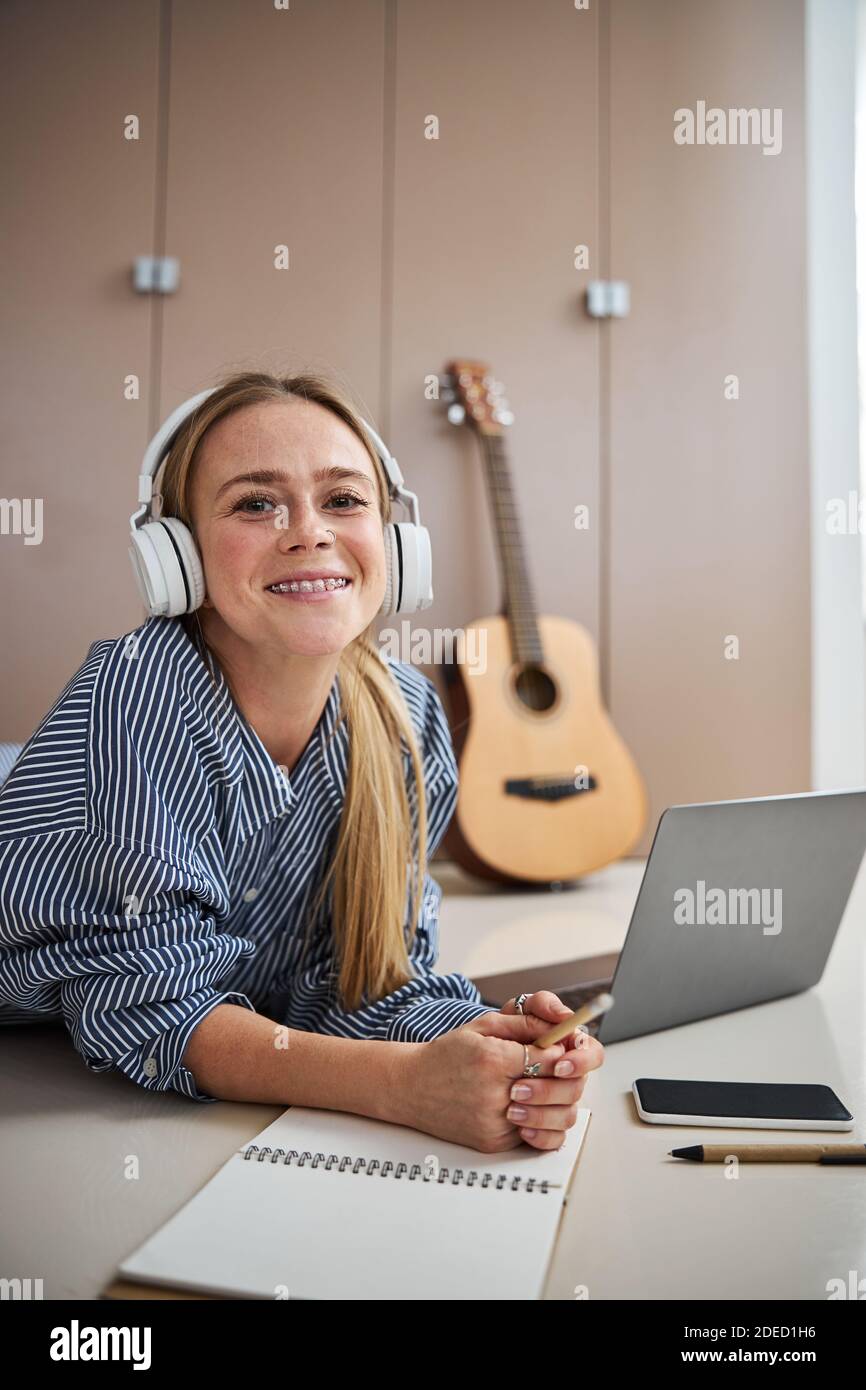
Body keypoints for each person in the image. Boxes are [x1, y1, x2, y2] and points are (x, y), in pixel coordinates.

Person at [0, 368, 604, 1152]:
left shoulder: (407, 714)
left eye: (344, 499)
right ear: (175, 555)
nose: (308, 531)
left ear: (395, 542)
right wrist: (402, 1086)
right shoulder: (136, 688)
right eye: (256, 502)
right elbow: (150, 1008)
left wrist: (490, 1041)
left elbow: (366, 985)